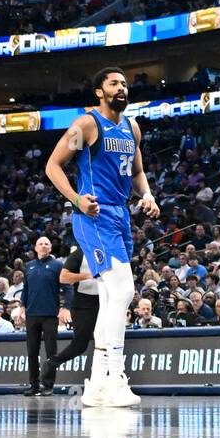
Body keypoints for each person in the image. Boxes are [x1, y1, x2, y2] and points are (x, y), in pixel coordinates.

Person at [44, 67, 160, 407]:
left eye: (125, 83)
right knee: (124, 289)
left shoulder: (131, 128)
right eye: (114, 83)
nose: (121, 88)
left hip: (121, 214)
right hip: (93, 215)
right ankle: (114, 376)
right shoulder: (87, 126)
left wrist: (148, 196)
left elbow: (137, 172)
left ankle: (96, 383)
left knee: (111, 296)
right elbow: (53, 165)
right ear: (99, 91)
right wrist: (77, 198)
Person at [41, 245, 101, 391]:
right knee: (80, 345)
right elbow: (63, 277)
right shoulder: (79, 253)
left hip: (104, 302)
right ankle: (52, 362)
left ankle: (102, 380)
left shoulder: (109, 249)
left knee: (106, 340)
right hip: (83, 304)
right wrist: (88, 275)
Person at [21, 237, 63, 397]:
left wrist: (65, 308)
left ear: (50, 247)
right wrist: (22, 308)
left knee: (51, 352)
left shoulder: (58, 265)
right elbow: (25, 289)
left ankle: (48, 385)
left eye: (47, 243)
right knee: (32, 351)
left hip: (50, 314)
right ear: (35, 247)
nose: (44, 246)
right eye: (40, 243)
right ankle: (34, 384)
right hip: (32, 314)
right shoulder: (29, 266)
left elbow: (66, 288)